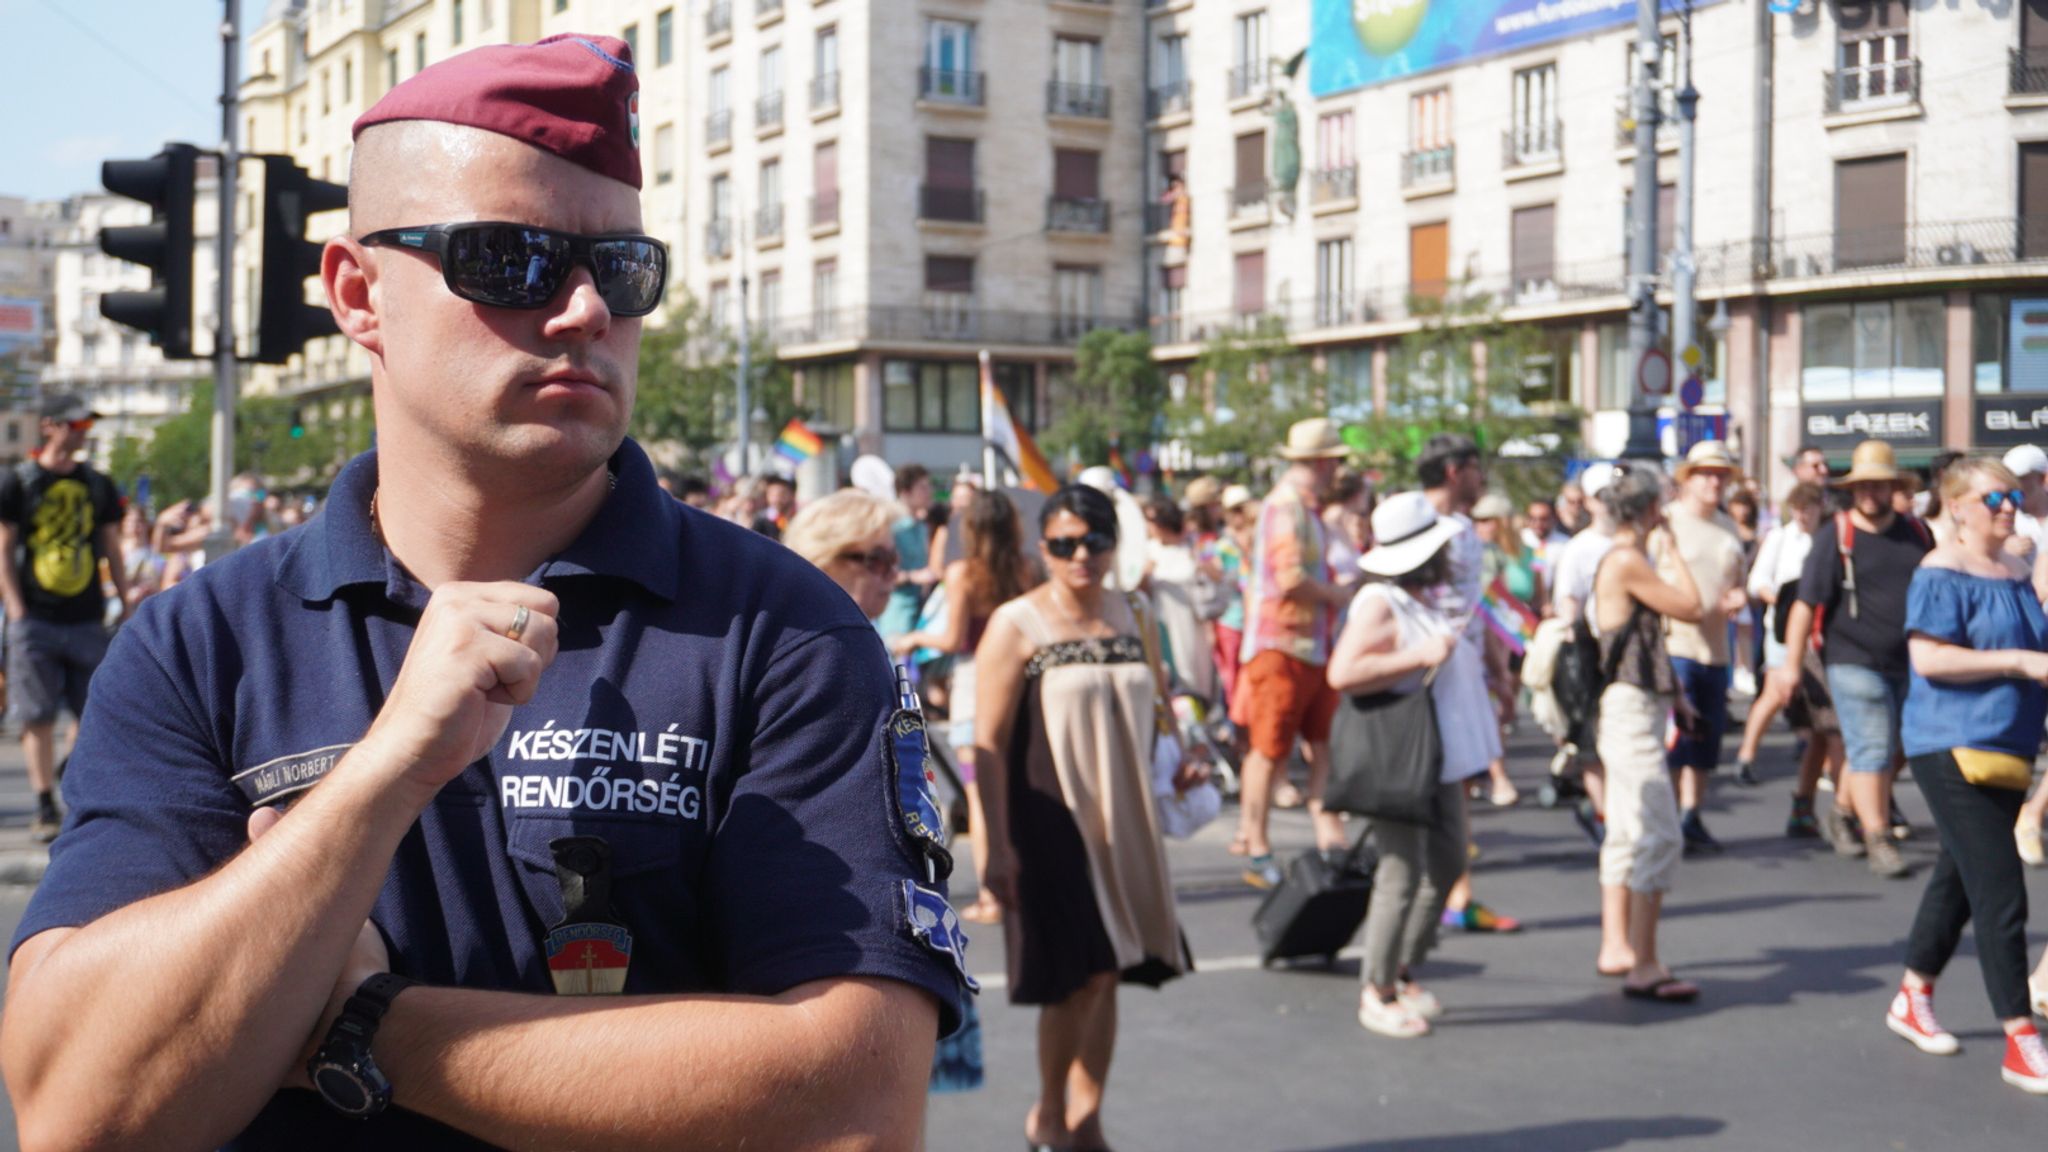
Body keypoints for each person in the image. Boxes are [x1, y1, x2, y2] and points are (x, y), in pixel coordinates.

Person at [0, 38, 965, 1150]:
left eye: (623, 269)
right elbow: (80, 1112)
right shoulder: (199, 642)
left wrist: (369, 1027)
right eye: (509, 260)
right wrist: (383, 776)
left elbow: (854, 1109)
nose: (582, 311)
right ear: (357, 293)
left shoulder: (782, 635)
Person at [974, 484, 1189, 1152]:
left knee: (1112, 967)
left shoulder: (1137, 612)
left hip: (1127, 815)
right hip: (1051, 818)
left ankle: (1085, 1117)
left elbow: (1162, 707)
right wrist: (997, 847)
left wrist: (1183, 757)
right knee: (1080, 973)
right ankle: (1049, 1114)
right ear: (1043, 549)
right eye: (1063, 544)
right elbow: (987, 743)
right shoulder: (1017, 623)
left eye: (1093, 542)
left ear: (1112, 544)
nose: (1079, 557)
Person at [1887, 457, 2048, 1095]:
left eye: (2012, 495)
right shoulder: (1940, 571)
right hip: (1948, 744)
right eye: (1992, 498)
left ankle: (1911, 994)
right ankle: (2020, 1038)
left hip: (2008, 746)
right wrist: (2021, 663)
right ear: (1956, 506)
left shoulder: (2016, 569)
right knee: (2001, 887)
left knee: (1957, 879)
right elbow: (1927, 657)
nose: (2007, 506)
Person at [1327, 492, 1487, 1038]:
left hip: (1434, 755)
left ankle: (1400, 967)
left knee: (1444, 865)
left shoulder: (1413, 599)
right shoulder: (1379, 601)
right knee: (1401, 871)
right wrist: (1418, 657)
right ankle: (1378, 988)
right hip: (1401, 756)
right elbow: (1343, 673)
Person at [1774, 439, 1932, 879]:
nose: (1870, 493)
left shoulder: (1916, 533)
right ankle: (1877, 835)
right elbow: (1805, 604)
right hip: (1851, 660)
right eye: (1863, 485)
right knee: (1871, 747)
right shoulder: (1836, 535)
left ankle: (1843, 810)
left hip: (1908, 662)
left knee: (1899, 747)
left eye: (1879, 485)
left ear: (1893, 488)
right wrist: (1790, 665)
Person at [895, 489, 1037, 925]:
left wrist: (915, 639)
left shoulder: (963, 573)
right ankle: (1022, 882)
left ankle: (993, 894)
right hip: (1019, 678)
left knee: (979, 790)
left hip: (975, 680)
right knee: (1013, 785)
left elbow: (954, 638)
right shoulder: (1024, 568)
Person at [1590, 466, 1705, 1002]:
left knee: (1628, 831)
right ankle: (1645, 962)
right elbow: (1691, 606)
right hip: (1631, 708)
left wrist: (1675, 697)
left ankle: (1618, 946)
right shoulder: (1629, 560)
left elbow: (1645, 637)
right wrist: (1675, 552)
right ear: (1646, 511)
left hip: (1633, 703)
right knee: (1659, 831)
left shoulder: (1619, 558)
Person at [0, 394, 129, 842]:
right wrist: (15, 608)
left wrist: (127, 600)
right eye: (76, 426)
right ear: (50, 425)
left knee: (95, 708)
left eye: (86, 427)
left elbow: (112, 546)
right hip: (35, 615)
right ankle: (43, 803)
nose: (82, 434)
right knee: (35, 714)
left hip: (86, 614)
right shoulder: (19, 481)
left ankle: (69, 774)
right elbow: (4, 546)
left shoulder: (98, 483)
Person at [1235, 419, 1354, 886]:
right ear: (1324, 462)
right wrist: (1335, 594)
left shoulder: (1302, 506)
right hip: (1282, 645)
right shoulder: (1285, 506)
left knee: (1318, 745)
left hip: (1308, 646)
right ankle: (1257, 846)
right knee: (1269, 749)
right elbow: (1288, 579)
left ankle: (1329, 839)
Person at [1419, 435, 1517, 933]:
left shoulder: (1458, 528)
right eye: (1477, 468)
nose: (1483, 479)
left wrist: (1496, 668)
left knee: (1458, 781)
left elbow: (1472, 607)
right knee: (1435, 783)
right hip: (1431, 671)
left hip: (1459, 668)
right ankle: (1438, 896)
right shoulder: (1422, 523)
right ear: (1456, 471)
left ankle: (1456, 894)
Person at [1658, 441, 1749, 855]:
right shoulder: (1667, 524)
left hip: (1716, 649)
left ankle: (1692, 816)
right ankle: (1671, 817)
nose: (1716, 482)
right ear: (1688, 479)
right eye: (1707, 474)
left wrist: (1738, 596)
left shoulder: (1729, 527)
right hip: (1676, 644)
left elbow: (1738, 583)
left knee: (1707, 741)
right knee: (1679, 738)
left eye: (1722, 475)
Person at [1734, 482, 1841, 828]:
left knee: (1824, 726)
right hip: (1785, 633)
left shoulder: (1830, 535)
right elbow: (1758, 581)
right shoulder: (1781, 538)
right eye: (1797, 510)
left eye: (1807, 509)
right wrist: (1783, 600)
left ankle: (1818, 800)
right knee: (1777, 695)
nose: (1802, 516)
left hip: (1823, 639)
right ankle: (1747, 756)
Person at [1550, 462, 1623, 844]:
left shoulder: (1634, 540)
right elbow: (1569, 603)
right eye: (1604, 496)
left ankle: (1616, 814)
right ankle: (1605, 815)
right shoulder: (1579, 548)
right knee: (1593, 739)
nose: (1612, 503)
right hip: (1592, 650)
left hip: (1627, 653)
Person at [1142, 495, 1219, 705]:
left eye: (1151, 520)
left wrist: (1202, 565)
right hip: (1162, 625)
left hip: (1192, 626)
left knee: (1196, 674)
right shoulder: (1148, 551)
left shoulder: (1194, 545)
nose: (1148, 525)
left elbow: (1218, 575)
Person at [1209, 483, 1257, 723]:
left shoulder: (1260, 540)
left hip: (1255, 623)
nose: (1242, 514)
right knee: (1233, 680)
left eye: (1244, 508)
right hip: (1232, 621)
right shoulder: (1222, 546)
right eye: (1237, 509)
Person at [877, 462, 939, 644]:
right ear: (905, 493)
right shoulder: (891, 529)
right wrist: (913, 577)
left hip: (922, 613)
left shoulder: (921, 527)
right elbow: (878, 574)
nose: (929, 492)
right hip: (897, 616)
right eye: (923, 487)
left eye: (929, 486)